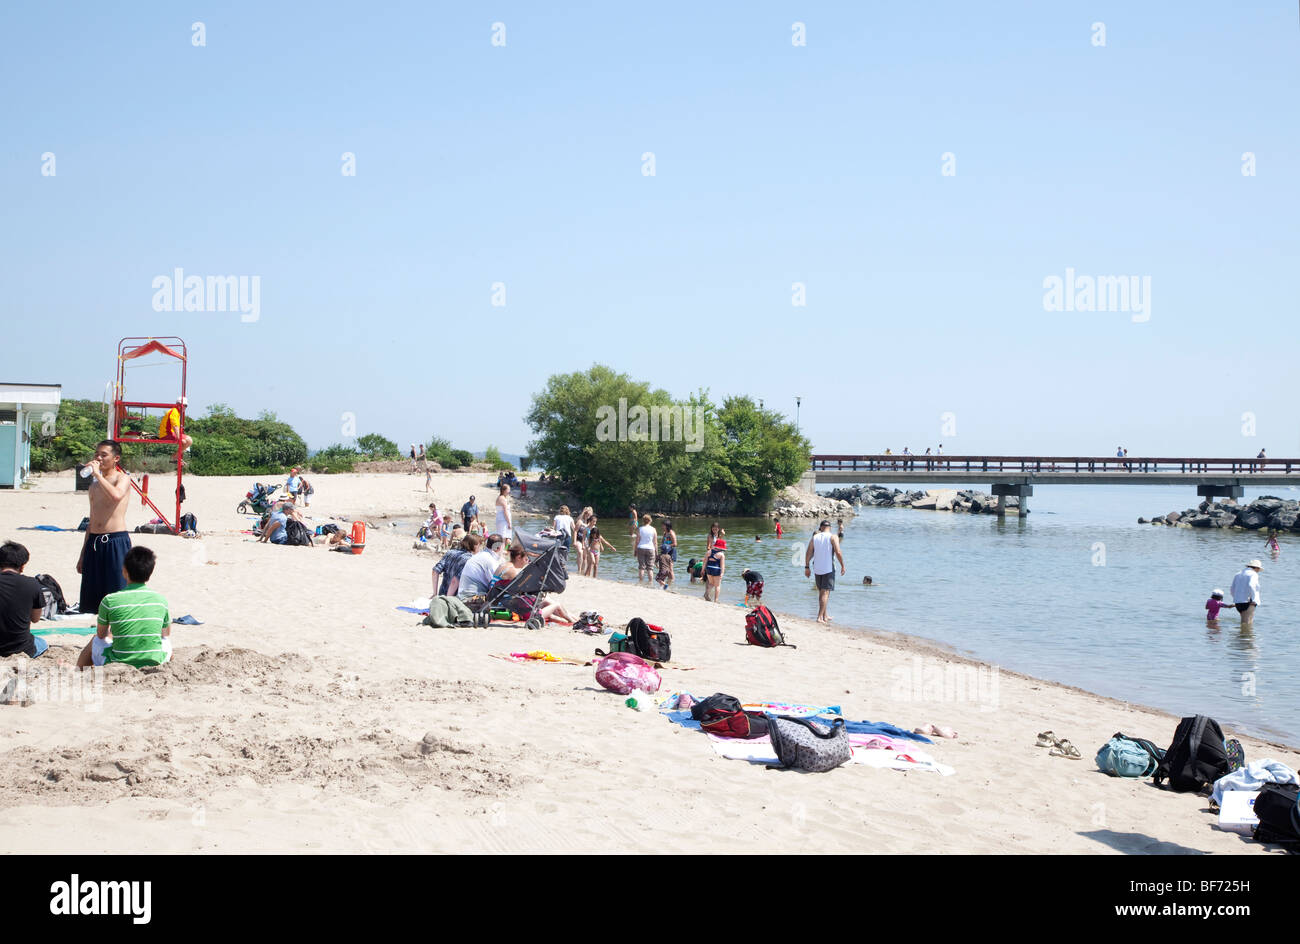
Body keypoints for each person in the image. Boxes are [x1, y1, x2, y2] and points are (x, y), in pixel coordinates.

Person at [77, 546, 171, 669]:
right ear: (150, 572)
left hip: (119, 663)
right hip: (154, 662)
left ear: (124, 571)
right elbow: (165, 633)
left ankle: (78, 670)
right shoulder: (161, 600)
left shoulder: (109, 600)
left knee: (95, 640)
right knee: (165, 641)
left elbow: (101, 635)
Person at [77, 440, 132, 617]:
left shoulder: (122, 478)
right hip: (94, 541)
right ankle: (101, 638)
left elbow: (116, 496)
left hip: (115, 540)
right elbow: (92, 520)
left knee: (117, 592)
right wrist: (83, 554)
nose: (99, 458)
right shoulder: (93, 486)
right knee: (95, 598)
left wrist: (98, 476)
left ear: (116, 458)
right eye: (97, 454)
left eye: (103, 455)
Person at [496, 546, 575, 625]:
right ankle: (574, 622)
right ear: (518, 557)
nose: (527, 562)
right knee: (556, 604)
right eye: (526, 559)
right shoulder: (513, 571)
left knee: (547, 602)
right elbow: (524, 588)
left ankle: (575, 619)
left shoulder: (504, 565)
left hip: (504, 600)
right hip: (510, 605)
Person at [0, 541, 47, 660]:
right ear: (22, 566)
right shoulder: (32, 584)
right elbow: (35, 619)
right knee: (42, 643)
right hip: (20, 649)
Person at [805, 519, 845, 623]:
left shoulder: (815, 537)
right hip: (828, 568)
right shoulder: (833, 536)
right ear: (830, 527)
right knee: (825, 593)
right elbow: (838, 551)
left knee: (822, 592)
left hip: (817, 568)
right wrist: (842, 565)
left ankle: (825, 615)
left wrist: (807, 567)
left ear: (821, 527)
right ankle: (819, 617)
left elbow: (808, 552)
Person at [458, 533, 505, 600]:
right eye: (504, 547)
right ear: (499, 548)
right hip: (471, 599)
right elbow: (495, 585)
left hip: (463, 594)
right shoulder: (490, 560)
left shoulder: (482, 555)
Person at [1230, 559, 1263, 626]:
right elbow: (1251, 585)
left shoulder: (1238, 573)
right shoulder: (1253, 574)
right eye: (1259, 569)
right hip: (1248, 602)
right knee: (1247, 624)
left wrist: (1236, 598)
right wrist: (1253, 599)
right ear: (1256, 568)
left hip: (1238, 602)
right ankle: (1245, 636)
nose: (1258, 571)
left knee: (1244, 622)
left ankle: (1241, 635)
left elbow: (1232, 588)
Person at [635, 514, 657, 584]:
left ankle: (641, 582)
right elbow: (655, 542)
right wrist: (656, 552)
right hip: (651, 549)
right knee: (650, 568)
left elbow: (637, 541)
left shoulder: (640, 529)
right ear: (650, 521)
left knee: (641, 567)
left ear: (643, 521)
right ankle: (650, 582)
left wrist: (635, 550)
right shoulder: (653, 529)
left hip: (641, 548)